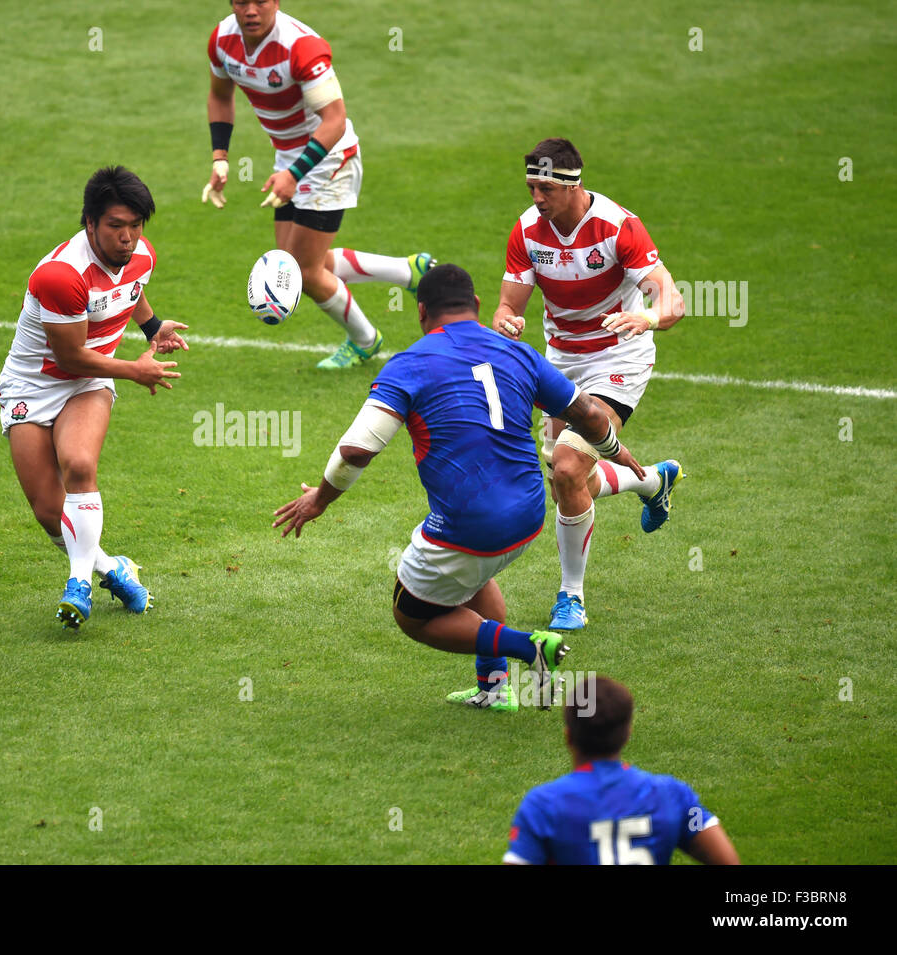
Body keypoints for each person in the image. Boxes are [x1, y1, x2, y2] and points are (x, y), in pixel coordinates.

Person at [273, 265, 645, 709]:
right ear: (478, 307)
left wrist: (320, 498)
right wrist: (613, 447)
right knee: (472, 572)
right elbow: (587, 411)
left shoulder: (410, 364)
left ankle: (529, 648)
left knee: (412, 613)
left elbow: (356, 450)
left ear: (422, 311)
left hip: (471, 523)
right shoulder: (518, 352)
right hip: (529, 514)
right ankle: (494, 689)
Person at [492, 138, 686, 631]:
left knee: (568, 464)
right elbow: (509, 304)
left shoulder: (618, 227)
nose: (536, 197)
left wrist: (646, 318)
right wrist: (506, 320)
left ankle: (570, 597)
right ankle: (651, 480)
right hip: (559, 364)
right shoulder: (527, 230)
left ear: (571, 185)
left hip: (618, 358)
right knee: (567, 481)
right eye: (531, 186)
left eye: (545, 188)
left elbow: (672, 302)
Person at [0, 166, 188, 630]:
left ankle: (78, 584)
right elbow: (70, 356)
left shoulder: (141, 255)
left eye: (135, 226)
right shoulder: (61, 276)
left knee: (79, 466)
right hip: (34, 383)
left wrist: (152, 326)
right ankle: (113, 567)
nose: (128, 238)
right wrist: (135, 370)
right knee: (49, 513)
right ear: (89, 223)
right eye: (115, 226)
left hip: (88, 383)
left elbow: (130, 290)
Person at [203, 0, 435, 369]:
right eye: (241, 1)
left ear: (276, 2)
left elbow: (335, 120)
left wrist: (295, 175)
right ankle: (410, 272)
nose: (250, 10)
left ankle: (365, 340)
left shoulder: (301, 47)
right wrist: (220, 157)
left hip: (329, 159)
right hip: (287, 159)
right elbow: (220, 95)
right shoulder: (222, 40)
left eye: (260, 1)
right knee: (297, 261)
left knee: (303, 273)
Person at [505, 675, 740, 864]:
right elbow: (727, 859)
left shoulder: (544, 806)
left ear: (568, 737)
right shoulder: (674, 796)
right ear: (627, 734)